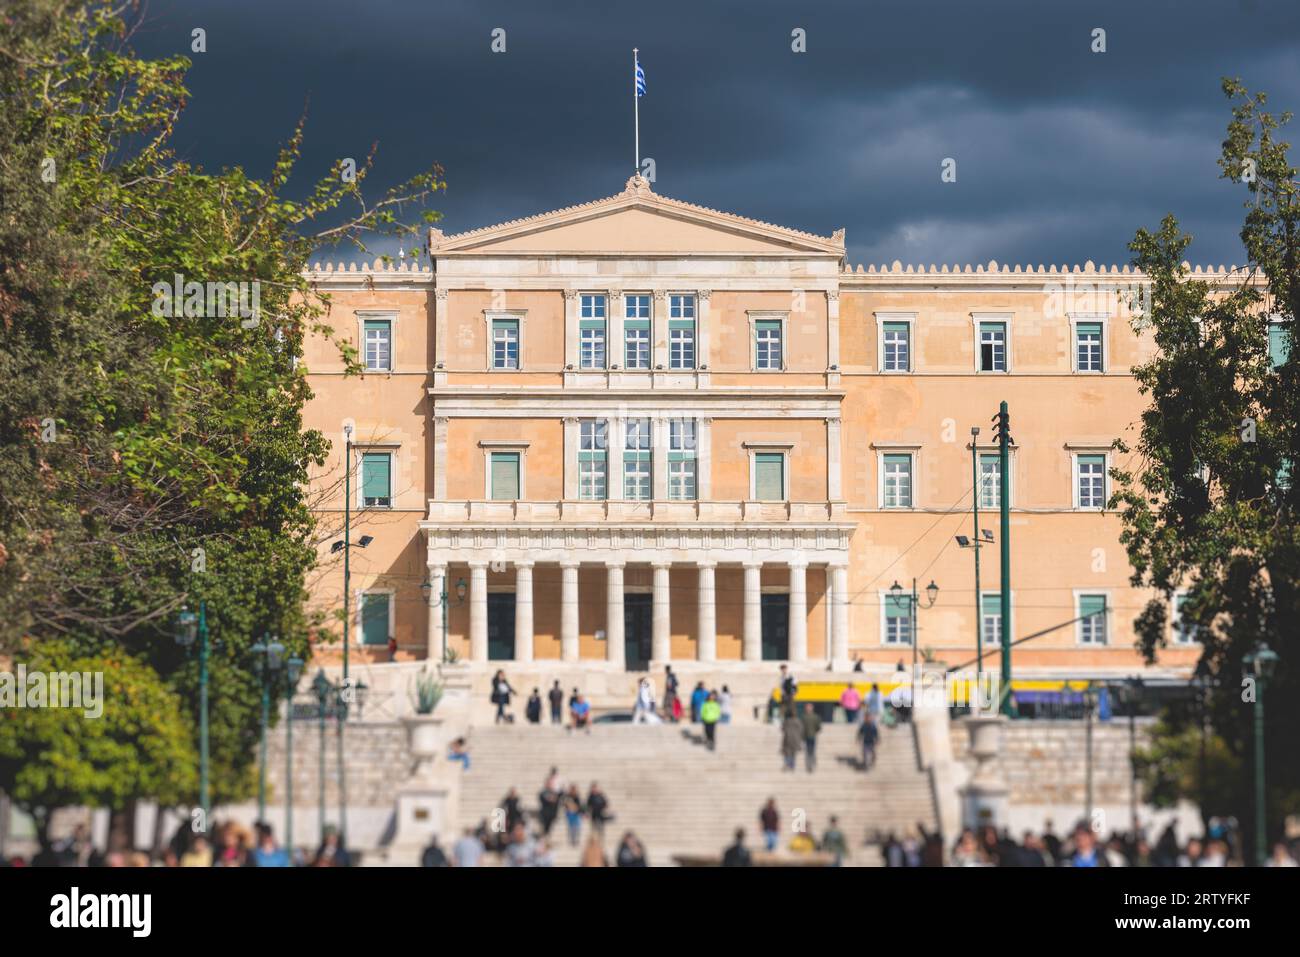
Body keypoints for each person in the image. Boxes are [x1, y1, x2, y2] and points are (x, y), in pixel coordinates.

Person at [538, 769, 562, 837]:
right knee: (545, 829)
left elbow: (560, 796)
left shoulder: (555, 792)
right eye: (548, 783)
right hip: (545, 815)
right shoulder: (543, 792)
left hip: (553, 814)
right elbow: (544, 799)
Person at [800, 701, 822, 772]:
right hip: (807, 736)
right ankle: (810, 764)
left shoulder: (815, 717)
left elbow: (818, 727)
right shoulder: (804, 717)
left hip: (812, 736)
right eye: (807, 707)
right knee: (809, 751)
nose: (808, 708)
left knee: (811, 750)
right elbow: (801, 727)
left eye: (809, 707)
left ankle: (811, 763)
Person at [781, 707, 803, 772]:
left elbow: (783, 729)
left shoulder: (787, 721)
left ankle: (789, 765)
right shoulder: (797, 721)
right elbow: (801, 730)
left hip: (788, 739)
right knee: (792, 753)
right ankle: (791, 765)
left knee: (788, 753)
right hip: (794, 739)